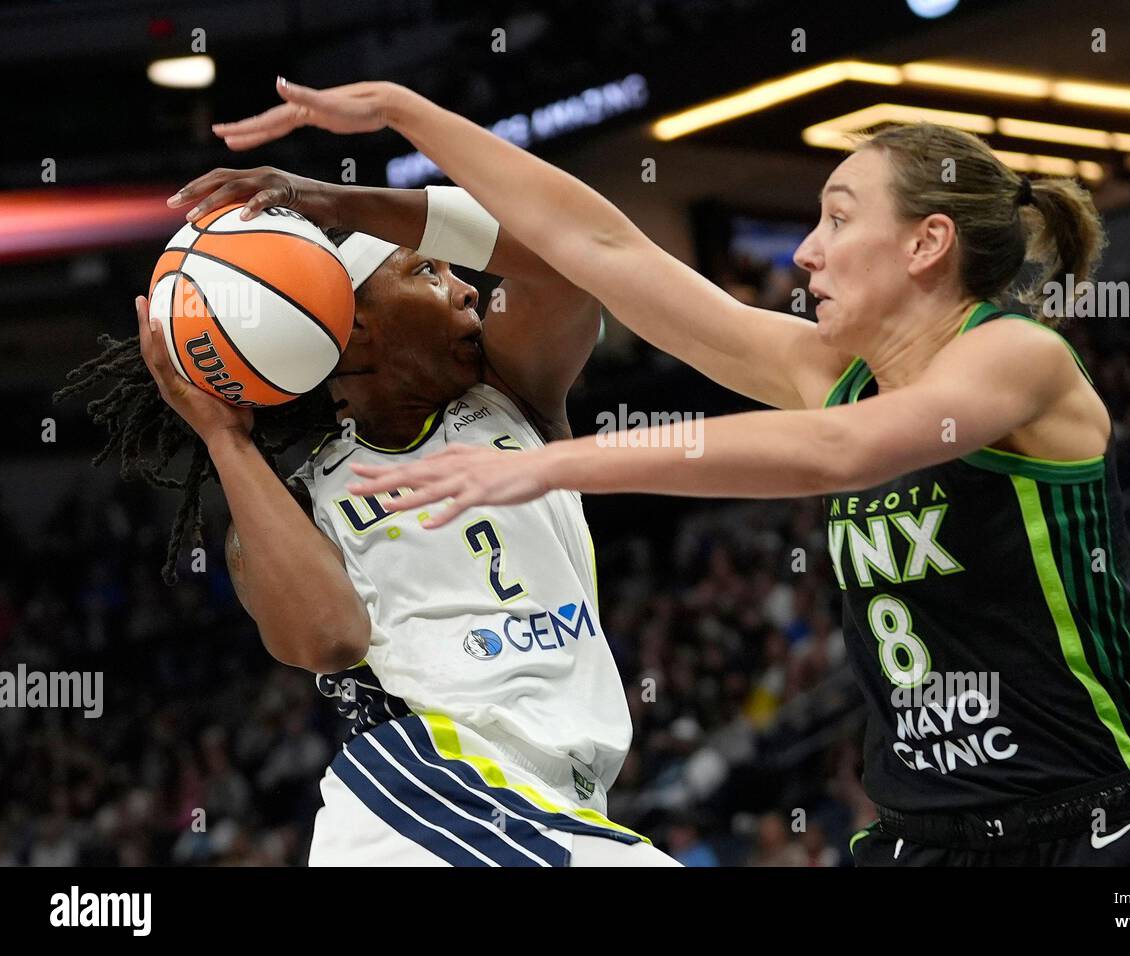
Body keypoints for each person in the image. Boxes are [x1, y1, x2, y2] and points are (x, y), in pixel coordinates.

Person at [209, 77, 1130, 866]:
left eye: (837, 218)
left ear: (926, 242)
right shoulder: (825, 371)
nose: (806, 250)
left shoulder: (1016, 356)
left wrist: (557, 461)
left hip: (1088, 825)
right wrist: (397, 122)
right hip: (919, 835)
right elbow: (596, 245)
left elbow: (838, 451)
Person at [58, 167, 678, 867]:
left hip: (551, 809)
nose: (469, 288)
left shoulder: (516, 397)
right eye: (427, 273)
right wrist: (225, 439)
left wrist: (337, 199)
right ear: (345, 333)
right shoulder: (299, 500)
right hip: (432, 801)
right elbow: (327, 639)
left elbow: (564, 261)